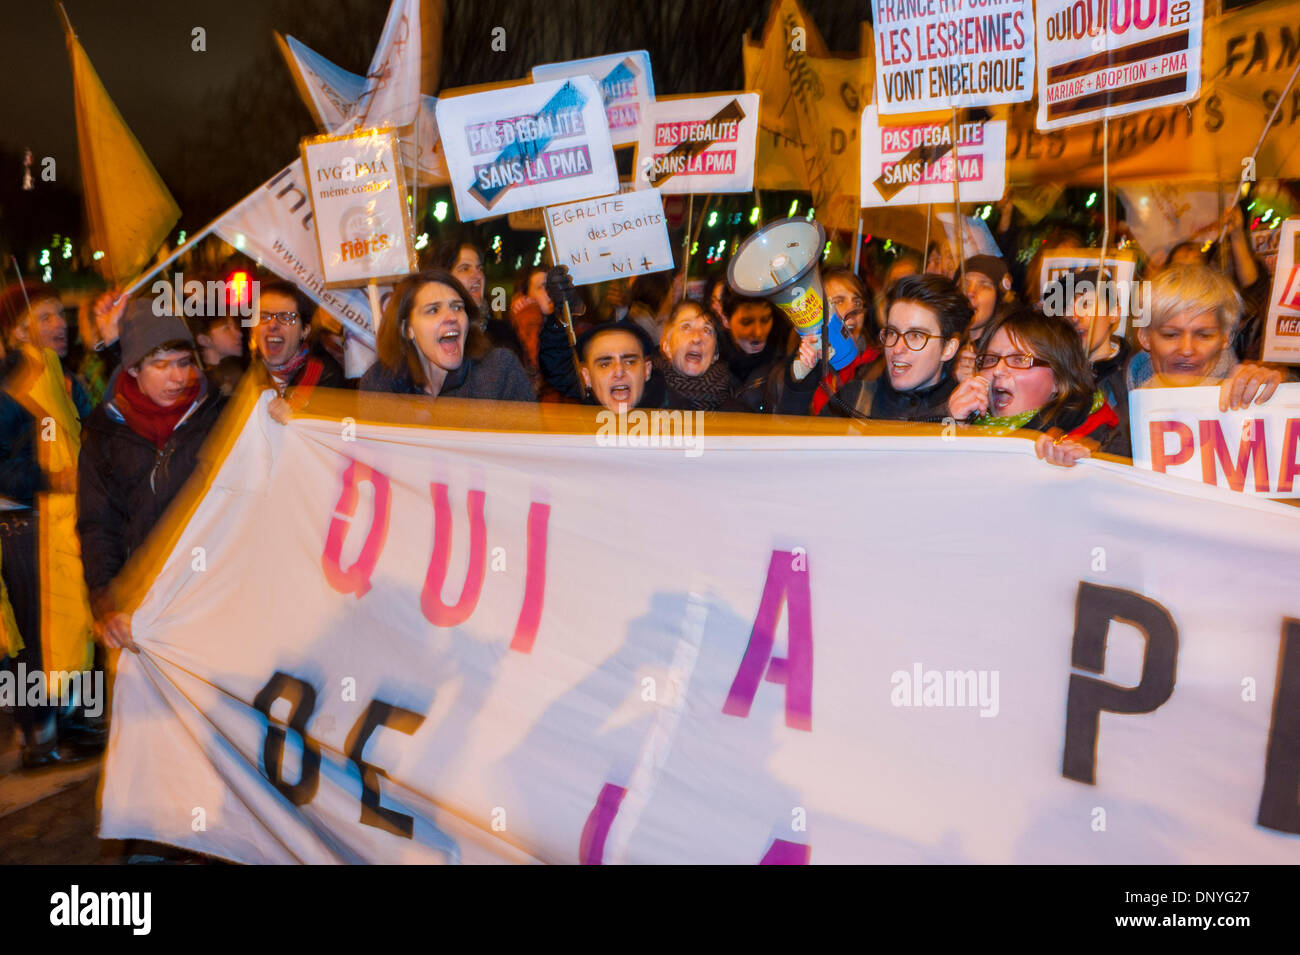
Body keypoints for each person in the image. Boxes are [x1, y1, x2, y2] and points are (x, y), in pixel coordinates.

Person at [78, 300, 226, 653]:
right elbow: (98, 525)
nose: (178, 377)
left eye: (183, 362)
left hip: (211, 596)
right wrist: (108, 603)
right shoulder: (104, 431)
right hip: (142, 607)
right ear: (132, 370)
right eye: (161, 365)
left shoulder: (219, 416)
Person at [0, 282, 98, 769]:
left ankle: (75, 720)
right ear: (18, 330)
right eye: (45, 317)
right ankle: (38, 737)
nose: (59, 324)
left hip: (65, 524)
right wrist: (49, 476)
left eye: (60, 315)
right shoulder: (11, 382)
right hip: (21, 530)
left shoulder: (63, 378)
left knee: (74, 623)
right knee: (30, 640)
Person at [785, 274, 971, 421]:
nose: (897, 349)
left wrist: (946, 415)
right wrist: (801, 384)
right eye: (891, 333)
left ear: (948, 348)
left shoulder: (965, 410)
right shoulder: (854, 398)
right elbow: (792, 457)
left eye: (915, 336)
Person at [948, 307, 1125, 460]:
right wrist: (947, 424)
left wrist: (1083, 470)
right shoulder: (961, 421)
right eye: (991, 359)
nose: (998, 370)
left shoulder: (1100, 442)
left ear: (1058, 379)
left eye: (1019, 359)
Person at [1127, 263, 1285, 410]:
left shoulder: (1251, 395)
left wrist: (1277, 389)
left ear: (1226, 337)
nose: (1187, 349)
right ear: (1144, 337)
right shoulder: (1119, 403)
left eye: (1204, 335)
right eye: (1171, 335)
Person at [360, 269, 534, 401]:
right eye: (433, 310)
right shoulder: (379, 386)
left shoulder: (500, 371)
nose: (451, 317)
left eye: (457, 307)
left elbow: (531, 444)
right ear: (407, 329)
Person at [1042, 267, 1134, 457]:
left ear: (1114, 314)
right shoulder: (1047, 374)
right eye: (1066, 307)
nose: (1075, 316)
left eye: (1086, 304)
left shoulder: (1137, 374)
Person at [248, 281, 345, 400]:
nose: (272, 325)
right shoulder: (244, 375)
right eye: (263, 317)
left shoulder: (325, 377)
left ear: (304, 331)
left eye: (286, 317)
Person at [653, 301, 734, 410]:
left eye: (707, 330)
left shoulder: (738, 415)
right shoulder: (644, 402)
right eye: (686, 327)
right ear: (667, 347)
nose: (696, 338)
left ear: (715, 354)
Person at [577, 319, 667, 412]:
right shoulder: (570, 423)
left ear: (647, 370)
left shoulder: (676, 421)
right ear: (586, 377)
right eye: (605, 365)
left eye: (630, 362)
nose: (619, 371)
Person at [954, 255, 1014, 383]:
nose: (970, 292)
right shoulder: (941, 346)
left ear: (997, 300)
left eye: (984, 285)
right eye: (965, 284)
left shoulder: (1007, 352)